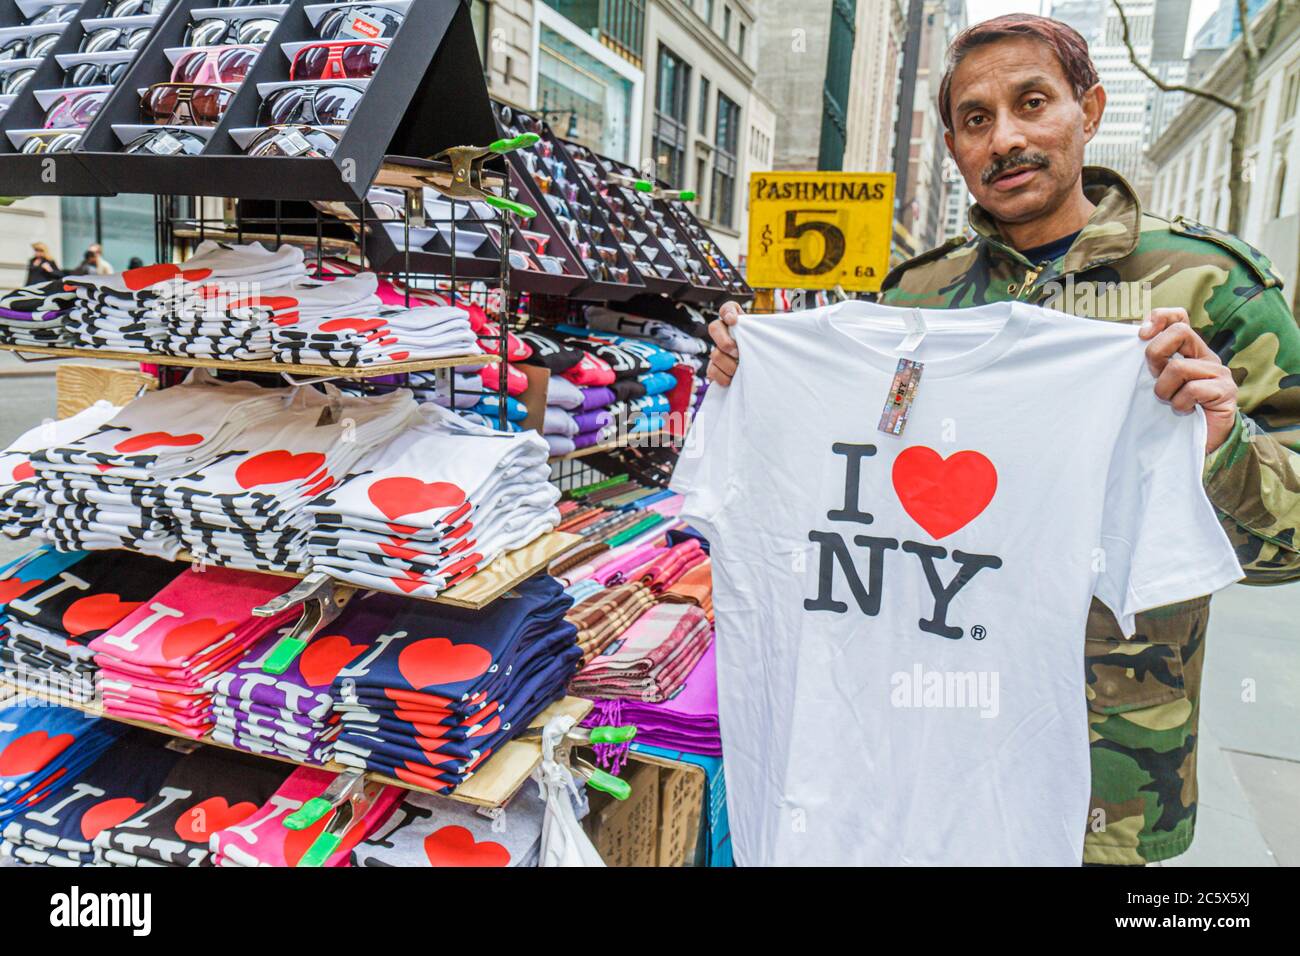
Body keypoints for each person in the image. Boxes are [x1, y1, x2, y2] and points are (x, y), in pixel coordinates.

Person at [705, 14, 1300, 866]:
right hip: (925, 748)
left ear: (1088, 110)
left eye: (1032, 102)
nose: (1007, 138)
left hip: (1115, 773)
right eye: (977, 119)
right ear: (951, 146)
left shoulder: (1209, 289)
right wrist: (754, 380)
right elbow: (845, 481)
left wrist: (1224, 448)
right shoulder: (912, 297)